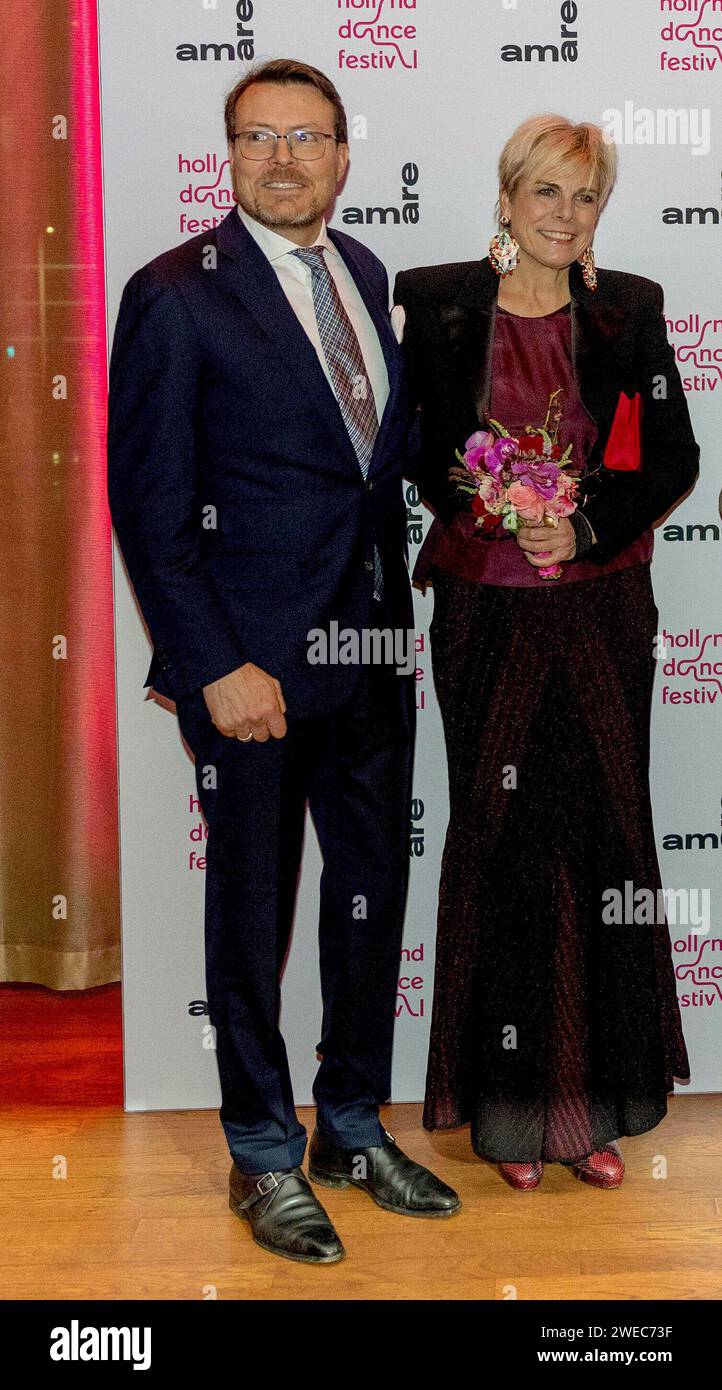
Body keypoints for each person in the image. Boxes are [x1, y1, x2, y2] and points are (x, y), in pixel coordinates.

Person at [107, 58, 459, 1265]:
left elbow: (377, 464)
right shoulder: (174, 294)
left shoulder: (361, 274)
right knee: (250, 917)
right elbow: (150, 507)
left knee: (370, 904)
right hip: (250, 672)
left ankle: (351, 1124)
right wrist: (210, 665)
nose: (283, 158)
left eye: (306, 138)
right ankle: (262, 1150)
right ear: (229, 153)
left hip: (370, 656)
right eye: (258, 136)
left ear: (342, 156)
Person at [393, 114, 699, 1192]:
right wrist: (486, 505)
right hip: (484, 611)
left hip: (600, 609)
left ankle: (593, 1107)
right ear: (506, 195)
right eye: (545, 194)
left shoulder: (631, 312)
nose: (564, 217)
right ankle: (512, 1109)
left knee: (600, 845)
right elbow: (421, 448)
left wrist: (583, 524)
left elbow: (672, 456)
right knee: (503, 841)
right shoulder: (434, 301)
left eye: (584, 198)